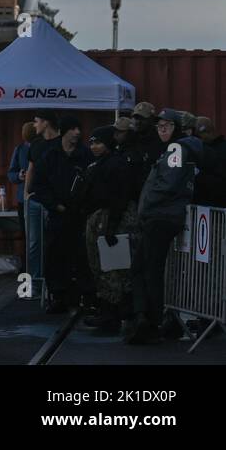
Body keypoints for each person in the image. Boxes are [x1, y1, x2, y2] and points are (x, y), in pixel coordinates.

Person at [125, 110, 196, 344]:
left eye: (166, 125)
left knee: (149, 269)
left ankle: (150, 320)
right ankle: (145, 317)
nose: (162, 129)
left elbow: (168, 184)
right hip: (159, 216)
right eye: (159, 126)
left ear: (175, 127)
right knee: (144, 268)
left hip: (161, 216)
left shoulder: (175, 150)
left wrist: (146, 205)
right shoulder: (169, 150)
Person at [78, 125, 138, 332]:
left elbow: (119, 197)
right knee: (102, 267)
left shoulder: (116, 165)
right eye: (92, 142)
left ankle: (114, 316)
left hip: (112, 220)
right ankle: (110, 313)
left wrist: (111, 227)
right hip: (101, 219)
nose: (94, 146)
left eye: (98, 142)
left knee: (113, 269)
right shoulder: (99, 164)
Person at [32, 114, 91, 311]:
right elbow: (38, 185)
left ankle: (84, 296)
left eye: (78, 129)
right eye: (73, 129)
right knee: (56, 256)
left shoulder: (85, 154)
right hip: (58, 214)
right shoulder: (50, 155)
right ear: (64, 131)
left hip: (81, 215)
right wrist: (55, 205)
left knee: (82, 256)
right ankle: (58, 295)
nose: (77, 133)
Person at [23, 112, 61, 282]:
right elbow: (30, 169)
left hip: (53, 202)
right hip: (35, 201)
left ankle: (52, 283)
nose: (34, 125)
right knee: (33, 244)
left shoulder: (61, 143)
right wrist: (26, 193)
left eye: (37, 121)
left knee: (54, 243)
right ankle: (34, 284)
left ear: (46, 123)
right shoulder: (36, 144)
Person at [8, 121, 36, 240]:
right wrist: (19, 176)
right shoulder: (19, 149)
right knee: (26, 234)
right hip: (23, 200)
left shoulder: (42, 148)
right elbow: (11, 173)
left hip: (39, 197)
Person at [192, 117, 226, 207]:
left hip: (218, 203)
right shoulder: (199, 149)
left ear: (208, 132)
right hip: (199, 203)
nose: (197, 139)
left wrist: (199, 174)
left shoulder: (222, 150)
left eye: (199, 136)